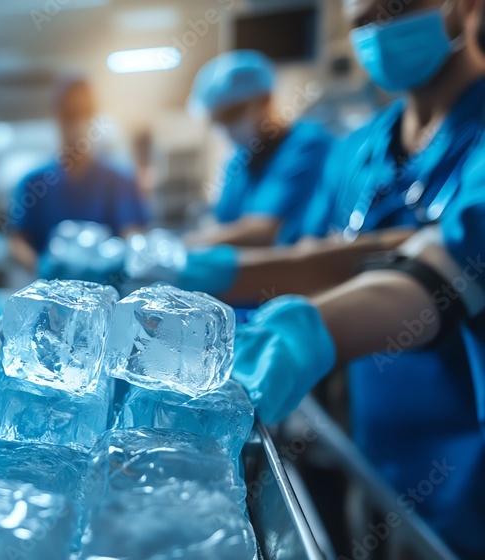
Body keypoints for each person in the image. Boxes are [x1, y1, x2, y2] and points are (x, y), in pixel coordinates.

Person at [198, 0, 485, 555]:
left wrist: (309, 332)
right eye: (363, 19)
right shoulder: (359, 151)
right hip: (376, 453)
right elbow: (325, 260)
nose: (381, 27)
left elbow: (443, 271)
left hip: (468, 464)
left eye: (400, 6)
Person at [186, 50, 334, 247]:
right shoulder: (239, 161)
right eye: (216, 120)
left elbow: (262, 231)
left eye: (231, 114)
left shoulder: (307, 146)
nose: (225, 126)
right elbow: (223, 222)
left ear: (265, 100)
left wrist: (184, 245)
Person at [6, 78, 149, 272]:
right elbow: (17, 242)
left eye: (85, 113)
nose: (78, 122)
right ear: (56, 116)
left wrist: (117, 266)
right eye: (70, 114)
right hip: (53, 297)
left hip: (109, 295)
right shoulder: (34, 183)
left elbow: (133, 235)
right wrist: (44, 269)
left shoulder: (119, 180)